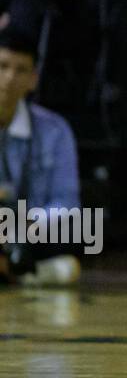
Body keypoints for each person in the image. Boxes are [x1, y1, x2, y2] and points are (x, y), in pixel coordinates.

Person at [0, 28, 82, 287]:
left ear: (33, 79)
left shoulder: (55, 130)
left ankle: (13, 270)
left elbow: (67, 203)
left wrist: (27, 223)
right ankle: (25, 276)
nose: (10, 78)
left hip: (31, 233)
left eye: (21, 70)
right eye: (2, 66)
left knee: (81, 232)